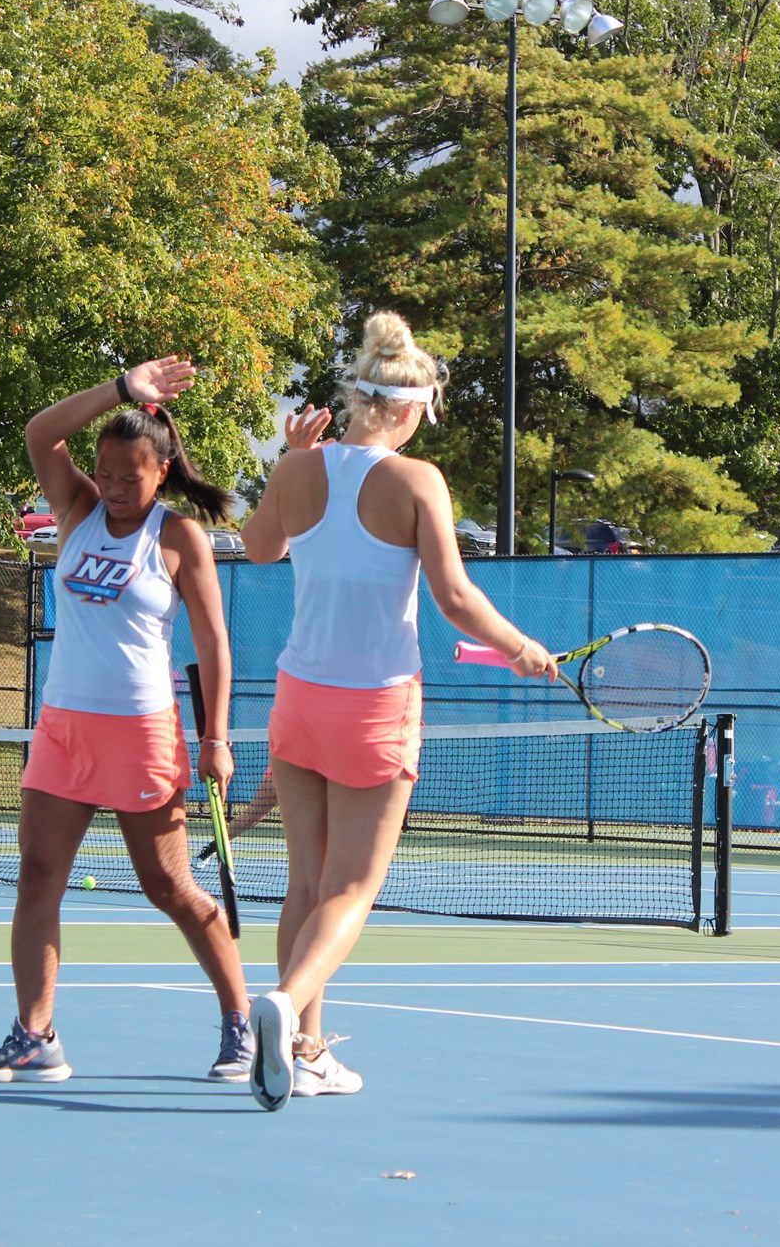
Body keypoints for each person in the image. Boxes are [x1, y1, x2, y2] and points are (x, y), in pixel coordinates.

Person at [238, 311, 556, 1110]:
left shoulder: (298, 469)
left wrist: (291, 460)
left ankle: (305, 1049)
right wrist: (520, 646)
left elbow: (258, 547)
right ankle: (285, 1010)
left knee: (305, 884)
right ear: (411, 409)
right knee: (349, 890)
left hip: (299, 699)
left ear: (353, 397)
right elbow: (453, 595)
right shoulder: (419, 482)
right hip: (375, 705)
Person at [0, 355, 249, 1086]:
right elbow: (38, 432)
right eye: (107, 474)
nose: (116, 488)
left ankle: (241, 1022)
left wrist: (216, 738)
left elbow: (213, 643)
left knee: (170, 887)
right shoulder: (78, 510)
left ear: (162, 471)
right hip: (63, 727)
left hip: (141, 730)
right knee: (37, 876)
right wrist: (121, 390)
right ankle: (35, 1034)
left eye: (131, 477)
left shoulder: (180, 537)